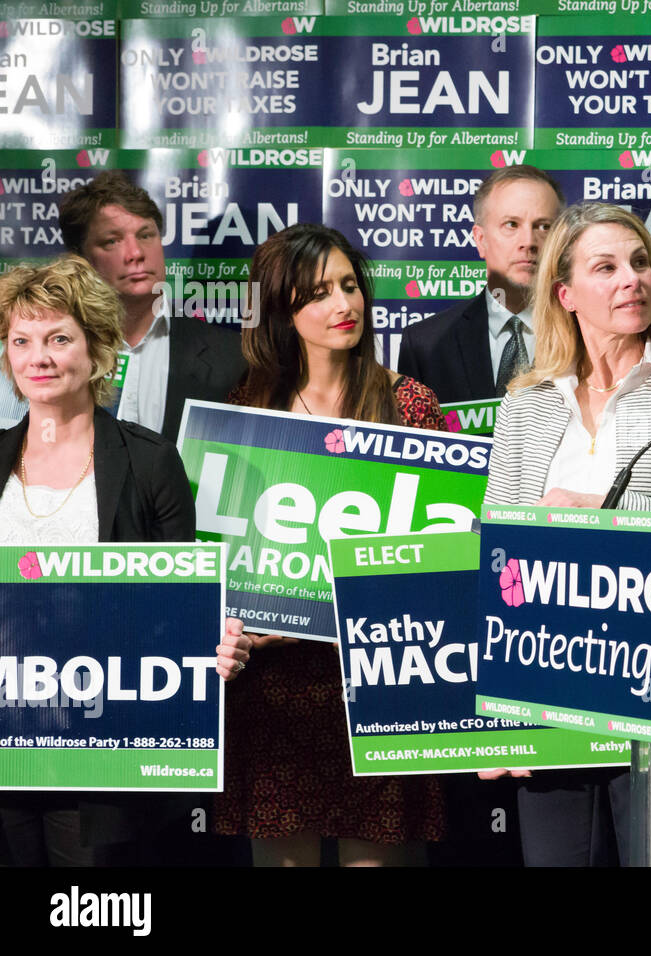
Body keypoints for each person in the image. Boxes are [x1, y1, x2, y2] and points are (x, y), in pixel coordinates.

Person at [481, 202, 651, 865]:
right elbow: (496, 561)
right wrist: (495, 722)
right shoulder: (525, 403)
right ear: (565, 293)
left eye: (640, 264)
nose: (631, 279)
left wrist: (597, 510)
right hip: (550, 696)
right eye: (606, 268)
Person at [0, 256, 250, 866]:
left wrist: (213, 642)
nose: (40, 357)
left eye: (60, 339)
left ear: (98, 349)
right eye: (21, 341)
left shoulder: (149, 461)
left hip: (102, 752)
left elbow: (178, 606)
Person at [215, 223, 447, 867]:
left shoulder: (410, 405)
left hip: (375, 684)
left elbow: (441, 562)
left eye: (349, 286)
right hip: (276, 691)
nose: (343, 305)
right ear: (282, 311)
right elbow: (228, 554)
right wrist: (247, 625)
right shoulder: (247, 406)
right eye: (318, 293)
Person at [55, 170, 246, 442]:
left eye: (146, 235)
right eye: (112, 241)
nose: (136, 253)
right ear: (81, 258)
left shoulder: (232, 358)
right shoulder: (51, 356)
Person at [398, 165, 565, 402]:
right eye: (511, 224)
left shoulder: (589, 335)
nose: (528, 242)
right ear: (480, 239)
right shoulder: (424, 344)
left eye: (544, 226)